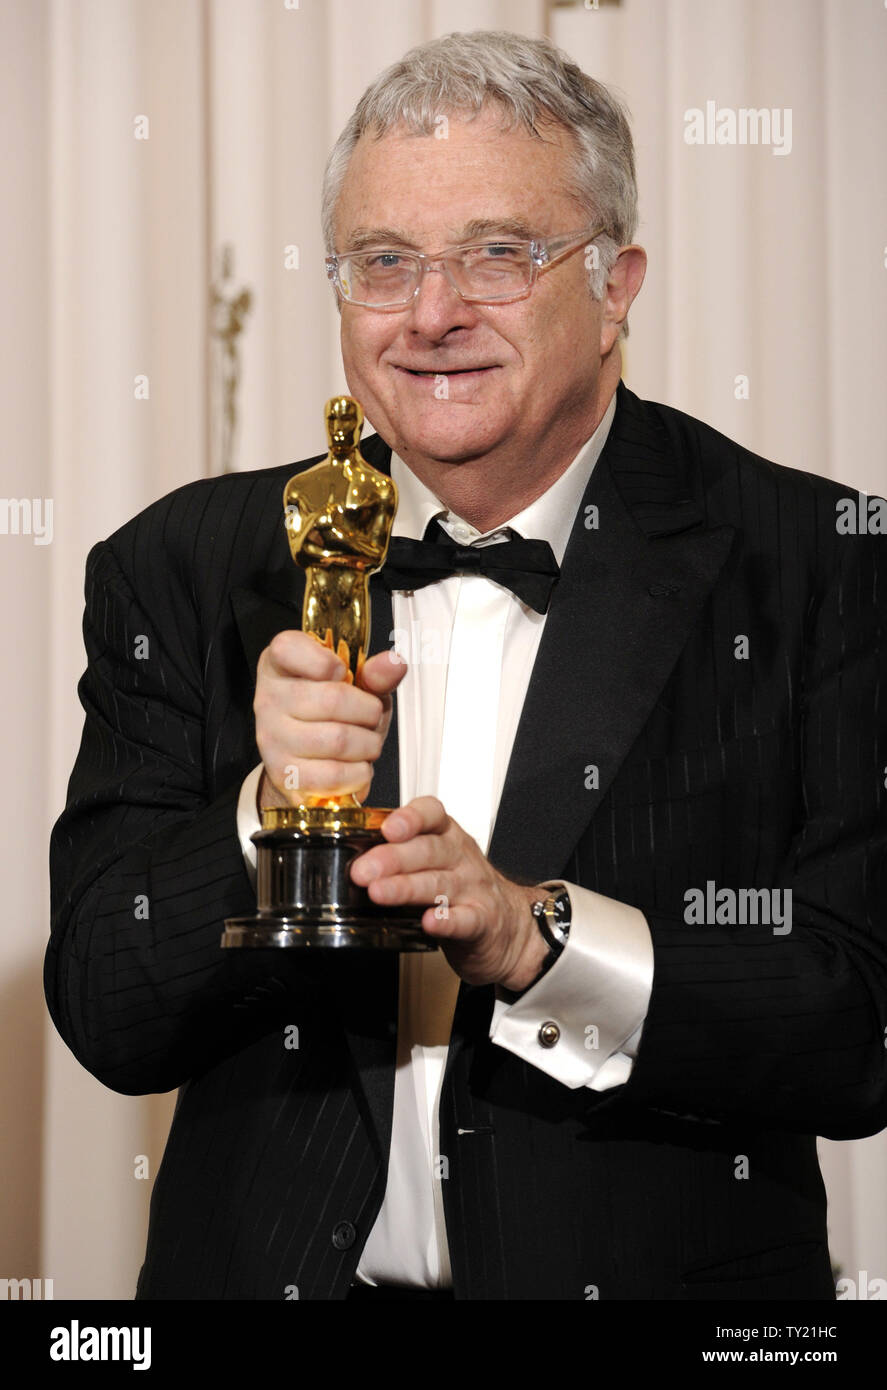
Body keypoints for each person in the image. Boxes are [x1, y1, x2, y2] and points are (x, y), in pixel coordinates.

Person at [46, 30, 887, 1301]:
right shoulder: (184, 563)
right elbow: (108, 1006)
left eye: (497, 254)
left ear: (615, 286)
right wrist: (261, 820)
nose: (431, 314)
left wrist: (538, 940)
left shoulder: (818, 564)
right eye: (383, 263)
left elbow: (860, 1025)